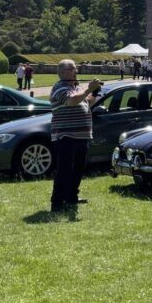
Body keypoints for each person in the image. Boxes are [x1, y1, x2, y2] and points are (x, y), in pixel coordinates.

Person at [49, 59, 102, 212]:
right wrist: (87, 90)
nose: (76, 71)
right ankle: (57, 203)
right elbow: (71, 101)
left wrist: (95, 91)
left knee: (78, 169)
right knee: (64, 170)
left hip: (81, 135)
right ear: (63, 72)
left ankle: (72, 197)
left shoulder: (76, 87)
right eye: (73, 69)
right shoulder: (59, 88)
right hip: (65, 136)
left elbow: (87, 103)